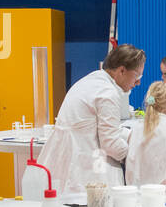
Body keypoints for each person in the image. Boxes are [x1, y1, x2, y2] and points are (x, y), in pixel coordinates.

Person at [40, 44, 144, 194]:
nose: (138, 82)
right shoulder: (107, 92)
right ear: (122, 70)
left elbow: (99, 127)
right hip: (85, 172)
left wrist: (129, 136)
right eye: (137, 76)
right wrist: (136, 154)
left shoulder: (89, 81)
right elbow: (111, 144)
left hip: (66, 167)